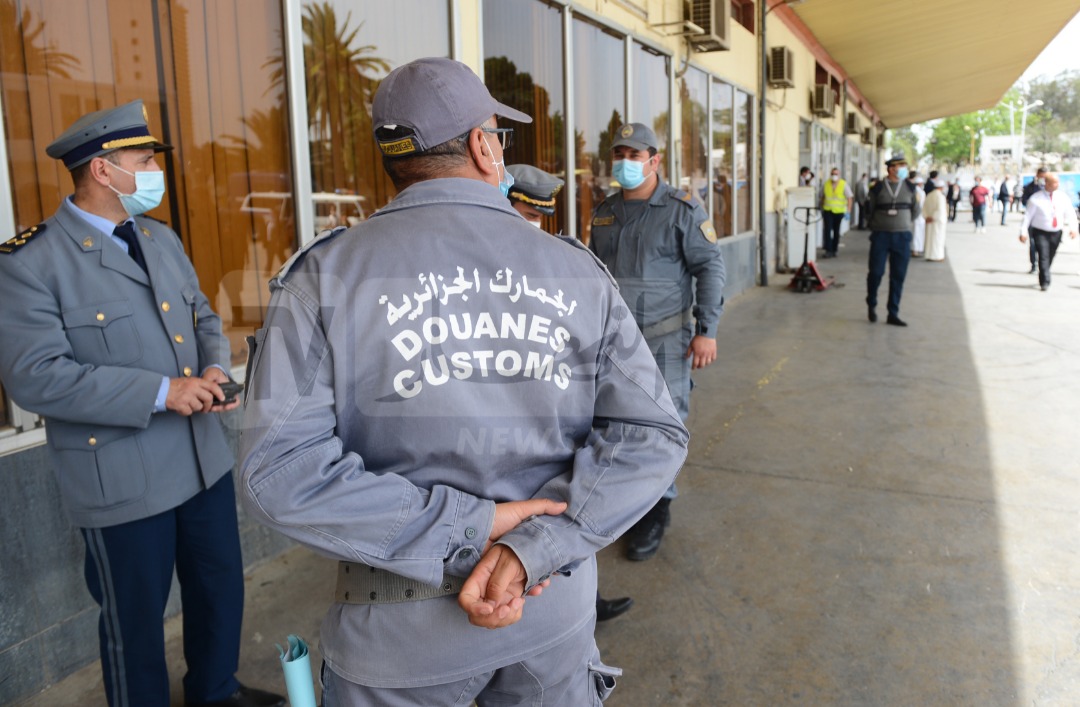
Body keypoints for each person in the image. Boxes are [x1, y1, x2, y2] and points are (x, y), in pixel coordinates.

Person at [238, 58, 688, 705]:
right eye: (496, 135)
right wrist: (534, 545)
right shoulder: (572, 269)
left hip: (396, 635)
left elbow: (275, 471)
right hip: (547, 612)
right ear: (482, 145)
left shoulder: (323, 276)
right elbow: (651, 432)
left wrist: (469, 525)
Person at [0, 101, 284, 707]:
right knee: (135, 624)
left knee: (218, 589)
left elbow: (204, 314)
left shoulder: (159, 237)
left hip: (200, 459)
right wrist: (163, 391)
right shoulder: (31, 262)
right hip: (122, 477)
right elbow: (36, 378)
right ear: (103, 171)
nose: (154, 169)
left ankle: (216, 691)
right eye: (144, 158)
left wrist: (210, 366)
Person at [588, 122, 725, 562]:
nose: (626, 162)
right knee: (613, 421)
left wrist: (707, 330)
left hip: (666, 338)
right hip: (614, 343)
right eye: (620, 154)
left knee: (663, 425)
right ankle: (622, 503)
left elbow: (710, 268)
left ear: (655, 160)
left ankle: (657, 507)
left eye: (635, 154)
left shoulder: (682, 209)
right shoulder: (605, 212)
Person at [505, 162, 634, 624]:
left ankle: (581, 602)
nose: (531, 226)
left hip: (554, 420)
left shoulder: (561, 264)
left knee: (560, 516)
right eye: (522, 212)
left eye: (538, 218)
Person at [866, 153, 920, 326]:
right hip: (881, 235)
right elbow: (869, 209)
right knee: (876, 272)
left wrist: (902, 223)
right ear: (891, 169)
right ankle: (872, 303)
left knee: (898, 276)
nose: (904, 169)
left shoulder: (911, 188)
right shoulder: (877, 187)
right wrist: (877, 224)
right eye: (901, 166)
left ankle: (893, 313)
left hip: (902, 236)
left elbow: (916, 210)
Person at [1019, 172, 1079, 291]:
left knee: (1050, 254)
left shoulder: (1063, 197)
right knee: (1043, 254)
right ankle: (1044, 281)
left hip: (1056, 232)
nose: (1057, 185)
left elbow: (1070, 214)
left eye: (1057, 182)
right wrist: (1023, 232)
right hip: (1040, 231)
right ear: (1047, 183)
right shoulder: (1036, 198)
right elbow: (1027, 216)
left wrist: (1073, 228)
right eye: (1054, 182)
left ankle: (1044, 270)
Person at [820, 167, 853, 258]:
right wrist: (821, 207)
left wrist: (848, 211)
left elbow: (849, 197)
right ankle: (828, 250)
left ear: (839, 175)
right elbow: (822, 196)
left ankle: (834, 249)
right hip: (828, 210)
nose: (834, 176)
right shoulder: (826, 184)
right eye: (833, 174)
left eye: (836, 174)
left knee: (836, 231)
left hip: (839, 212)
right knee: (827, 230)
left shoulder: (843, 184)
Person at [1021, 167, 1048, 274]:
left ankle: (1044, 265)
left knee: (1045, 245)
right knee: (1033, 243)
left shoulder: (1049, 188)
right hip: (1033, 221)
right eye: (1041, 176)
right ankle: (1034, 265)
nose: (1043, 178)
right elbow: (1024, 201)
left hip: (1046, 221)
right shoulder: (1030, 187)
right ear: (1037, 175)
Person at [923, 178, 949, 261]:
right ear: (941, 187)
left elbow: (924, 207)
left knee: (929, 238)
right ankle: (937, 256)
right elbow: (940, 209)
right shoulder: (940, 196)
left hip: (929, 220)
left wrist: (927, 217)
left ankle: (929, 255)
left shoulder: (929, 195)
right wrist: (933, 217)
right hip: (937, 221)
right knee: (937, 238)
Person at [910, 175, 926, 257]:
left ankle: (915, 249)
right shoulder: (919, 192)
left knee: (915, 233)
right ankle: (915, 250)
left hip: (915, 216)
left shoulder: (913, 191)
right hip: (918, 216)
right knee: (917, 233)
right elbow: (919, 205)